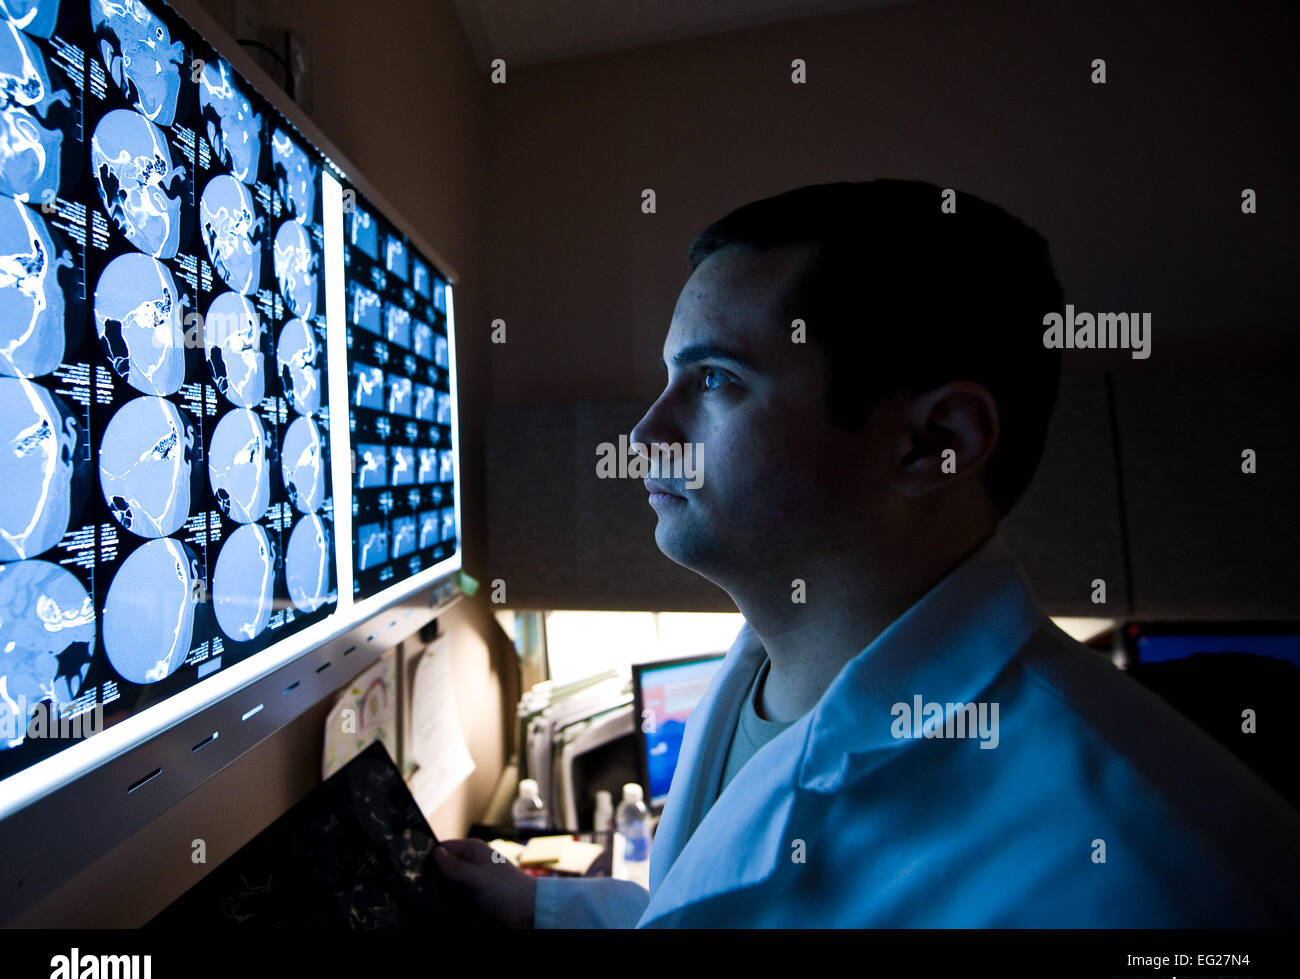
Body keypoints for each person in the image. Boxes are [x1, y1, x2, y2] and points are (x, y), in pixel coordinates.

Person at [435, 180, 1300, 928]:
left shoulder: (1147, 871)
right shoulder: (765, 676)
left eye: (717, 381)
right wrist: (545, 907)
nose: (646, 433)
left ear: (935, 443)